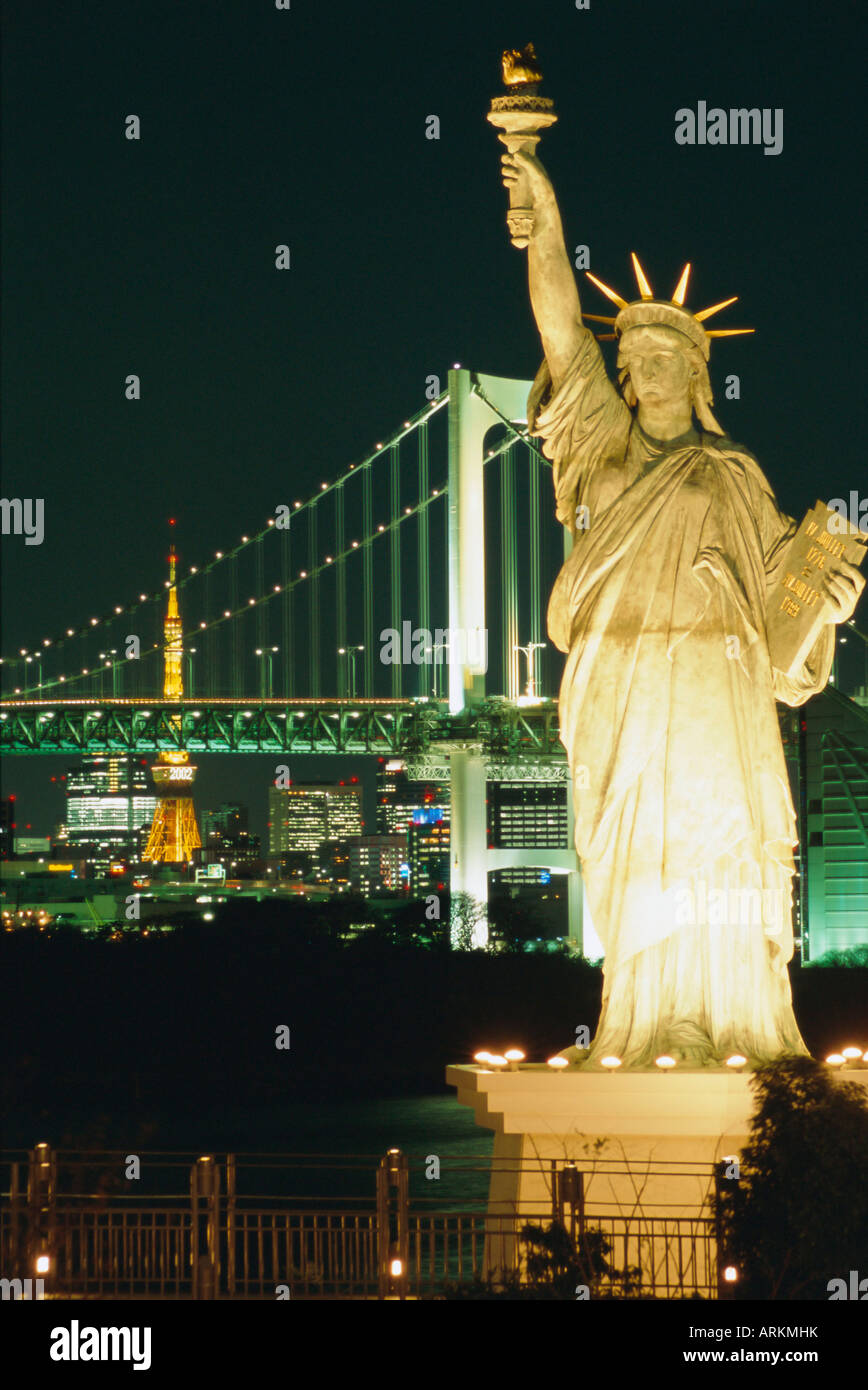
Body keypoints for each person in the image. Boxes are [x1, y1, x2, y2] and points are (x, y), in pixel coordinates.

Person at [502, 148, 865, 1067]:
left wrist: (830, 602)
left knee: (722, 843)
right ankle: (644, 1020)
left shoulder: (733, 476)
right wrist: (542, 210)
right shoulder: (599, 445)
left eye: (666, 356)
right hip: (622, 681)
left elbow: (785, 625)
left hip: (716, 686)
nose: (647, 368)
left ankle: (730, 1019)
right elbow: (559, 332)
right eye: (635, 356)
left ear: (699, 373)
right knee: (639, 855)